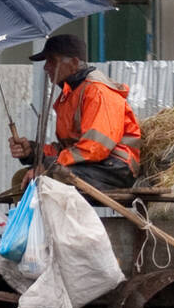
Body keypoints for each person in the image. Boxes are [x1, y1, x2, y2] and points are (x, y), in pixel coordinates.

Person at [8, 34, 141, 193]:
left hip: (115, 169)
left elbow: (94, 148)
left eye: (52, 61)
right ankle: (35, 218)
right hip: (92, 165)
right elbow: (70, 149)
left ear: (74, 63)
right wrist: (33, 151)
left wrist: (48, 166)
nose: (45, 67)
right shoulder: (70, 95)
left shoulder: (98, 93)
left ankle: (48, 218)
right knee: (21, 179)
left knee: (46, 179)